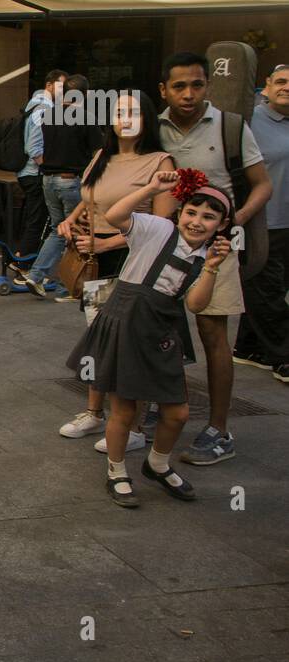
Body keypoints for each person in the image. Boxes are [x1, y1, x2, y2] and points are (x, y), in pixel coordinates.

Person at [67, 170, 233, 508]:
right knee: (124, 409)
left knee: (178, 413)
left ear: (222, 223)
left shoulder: (209, 256)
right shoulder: (159, 229)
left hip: (162, 330)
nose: (197, 221)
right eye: (191, 212)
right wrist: (154, 188)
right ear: (180, 212)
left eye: (208, 216)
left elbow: (195, 303)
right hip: (125, 320)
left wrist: (213, 267)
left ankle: (157, 464)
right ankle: (116, 472)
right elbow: (115, 216)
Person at [157, 51, 273, 465]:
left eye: (197, 84)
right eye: (179, 86)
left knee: (213, 335)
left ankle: (219, 430)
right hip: (166, 245)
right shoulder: (156, 128)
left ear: (207, 85)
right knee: (159, 329)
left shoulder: (230, 125)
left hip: (217, 247)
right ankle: (162, 409)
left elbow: (262, 185)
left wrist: (233, 219)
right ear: (164, 90)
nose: (189, 94)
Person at [55, 92, 177, 449]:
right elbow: (89, 195)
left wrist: (109, 244)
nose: (126, 118)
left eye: (135, 112)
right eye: (120, 112)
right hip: (93, 259)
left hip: (132, 259)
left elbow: (161, 224)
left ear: (148, 119)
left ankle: (133, 427)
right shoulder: (101, 156)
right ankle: (94, 414)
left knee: (128, 344)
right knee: (98, 336)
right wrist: (71, 219)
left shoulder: (160, 161)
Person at [23, 74, 103, 298]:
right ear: (84, 94)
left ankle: (36, 275)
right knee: (75, 232)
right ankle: (68, 286)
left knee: (58, 229)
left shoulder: (49, 116)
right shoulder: (85, 117)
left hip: (48, 180)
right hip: (70, 180)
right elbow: (100, 151)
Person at [234, 62, 289, 382]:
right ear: (266, 85)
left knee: (272, 287)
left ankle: (247, 346)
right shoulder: (251, 120)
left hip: (286, 223)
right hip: (262, 221)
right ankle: (283, 355)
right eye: (280, 81)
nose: (286, 87)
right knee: (266, 288)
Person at [16, 70, 68, 258]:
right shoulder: (43, 109)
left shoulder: (35, 105)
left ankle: (25, 256)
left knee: (34, 218)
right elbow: (34, 148)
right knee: (36, 220)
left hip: (28, 172)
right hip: (34, 173)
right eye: (61, 86)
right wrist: (49, 168)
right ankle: (22, 260)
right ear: (49, 85)